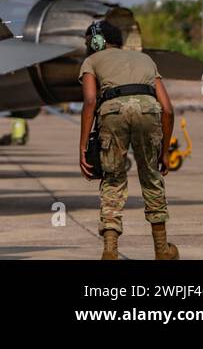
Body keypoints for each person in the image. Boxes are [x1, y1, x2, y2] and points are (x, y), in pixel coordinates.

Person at [78, 19, 179, 260]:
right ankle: (162, 250)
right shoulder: (145, 59)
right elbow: (167, 110)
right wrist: (164, 151)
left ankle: (110, 251)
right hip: (148, 111)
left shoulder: (91, 60)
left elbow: (91, 102)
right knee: (151, 177)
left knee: (113, 179)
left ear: (95, 42)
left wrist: (83, 147)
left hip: (112, 112)